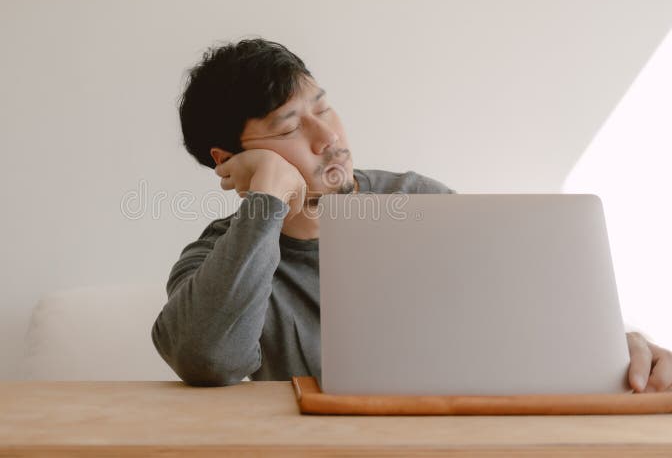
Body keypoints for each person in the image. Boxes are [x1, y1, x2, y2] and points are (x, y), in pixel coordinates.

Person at [151, 38, 671, 392]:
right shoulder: (217, 262)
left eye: (324, 108)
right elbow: (207, 359)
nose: (329, 137)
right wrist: (266, 200)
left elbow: (530, 316)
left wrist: (615, 349)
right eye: (289, 129)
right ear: (230, 159)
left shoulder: (418, 202)